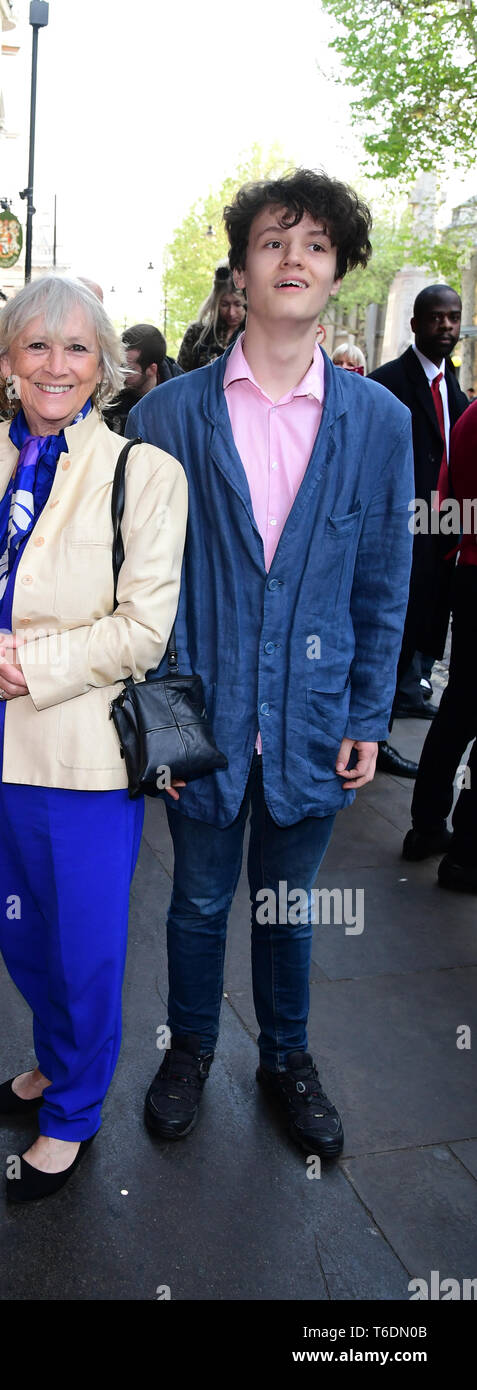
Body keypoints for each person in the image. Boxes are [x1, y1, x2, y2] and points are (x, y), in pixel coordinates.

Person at [129, 169, 413, 1160]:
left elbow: (382, 585)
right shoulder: (165, 419)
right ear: (240, 271)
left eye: (316, 245)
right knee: (199, 899)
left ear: (336, 272)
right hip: (201, 720)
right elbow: (142, 594)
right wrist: (159, 732)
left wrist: (367, 719)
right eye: (272, 242)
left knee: (287, 909)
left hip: (311, 721)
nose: (294, 259)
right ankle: (189, 1049)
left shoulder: (379, 424)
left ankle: (286, 1057)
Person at [0, 276, 187, 1201]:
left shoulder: (144, 474)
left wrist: (24, 664)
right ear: (3, 363)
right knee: (22, 934)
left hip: (80, 752)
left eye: (76, 348)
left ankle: (73, 1111)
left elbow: (140, 631)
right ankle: (50, 1060)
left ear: (105, 368)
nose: (54, 364)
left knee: (83, 944)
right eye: (34, 346)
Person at [369, 285, 469, 772]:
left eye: (453, 318)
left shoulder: (457, 391)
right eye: (436, 318)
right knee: (389, 629)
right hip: (397, 529)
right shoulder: (387, 383)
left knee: (421, 630)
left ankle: (406, 694)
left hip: (441, 533)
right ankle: (373, 731)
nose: (446, 327)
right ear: (415, 324)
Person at [402, 399, 477, 892]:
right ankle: (468, 855)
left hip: (468, 573)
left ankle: (428, 825)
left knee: (459, 709)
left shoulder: (471, 417)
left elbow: (447, 497)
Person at [105, 323, 183, 436]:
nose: (117, 372)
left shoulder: (180, 402)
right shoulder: (108, 391)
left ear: (151, 370)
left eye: (126, 368)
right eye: (116, 363)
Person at [177, 263, 245, 372]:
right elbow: (180, 376)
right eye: (224, 304)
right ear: (216, 303)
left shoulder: (256, 335)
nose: (231, 313)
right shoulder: (196, 332)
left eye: (238, 304)